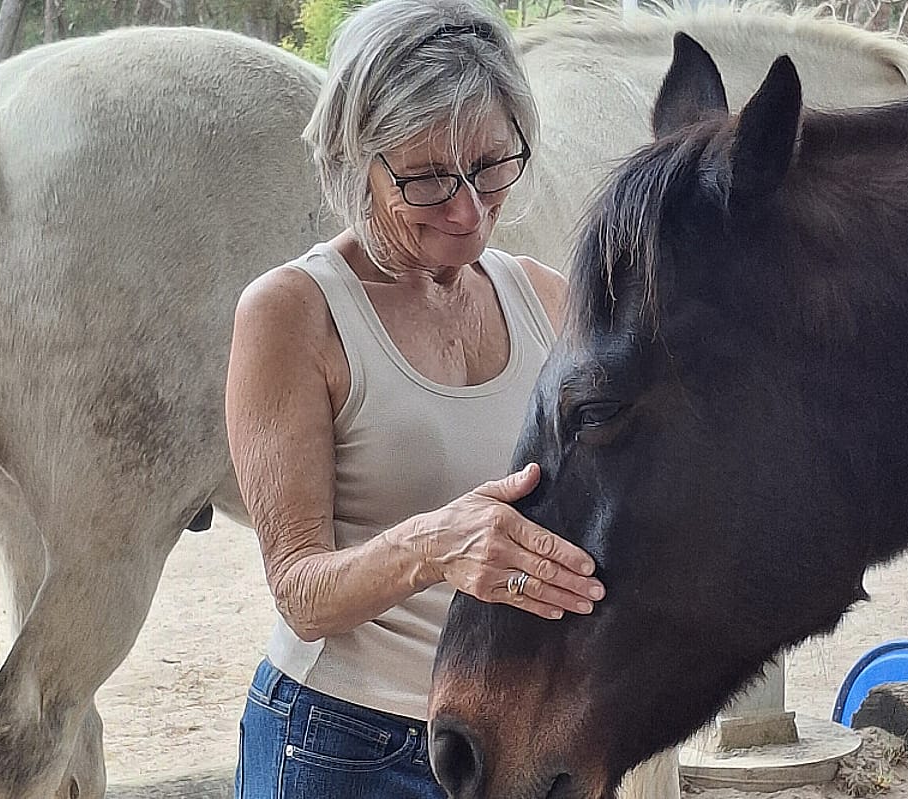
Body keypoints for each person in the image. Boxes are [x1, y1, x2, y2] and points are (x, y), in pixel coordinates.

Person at [224, 1, 607, 796]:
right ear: (352, 159)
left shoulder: (547, 299)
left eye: (493, 164)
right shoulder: (294, 313)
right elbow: (300, 592)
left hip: (515, 738)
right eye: (428, 179)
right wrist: (435, 544)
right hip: (343, 742)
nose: (468, 211)